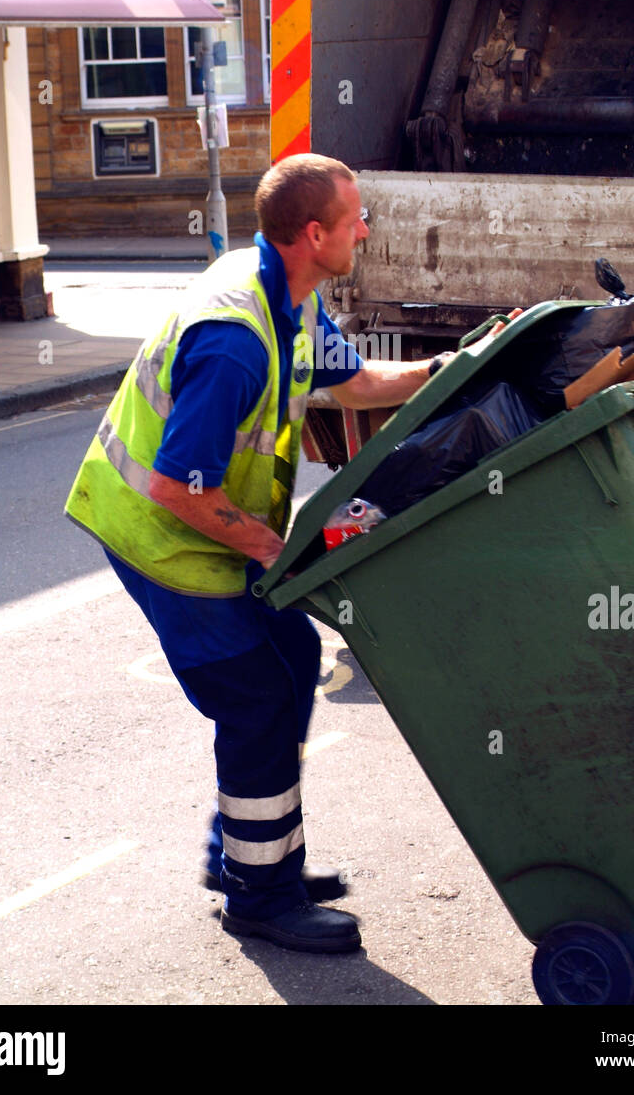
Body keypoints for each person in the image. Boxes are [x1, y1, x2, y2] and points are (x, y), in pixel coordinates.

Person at [65, 153, 454, 954]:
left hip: (198, 526)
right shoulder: (236, 340)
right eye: (356, 221)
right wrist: (273, 548)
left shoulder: (288, 294)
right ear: (316, 233)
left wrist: (447, 369)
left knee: (292, 650)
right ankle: (260, 898)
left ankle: (247, 859)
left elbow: (350, 384)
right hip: (162, 538)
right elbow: (179, 486)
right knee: (258, 697)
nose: (366, 230)